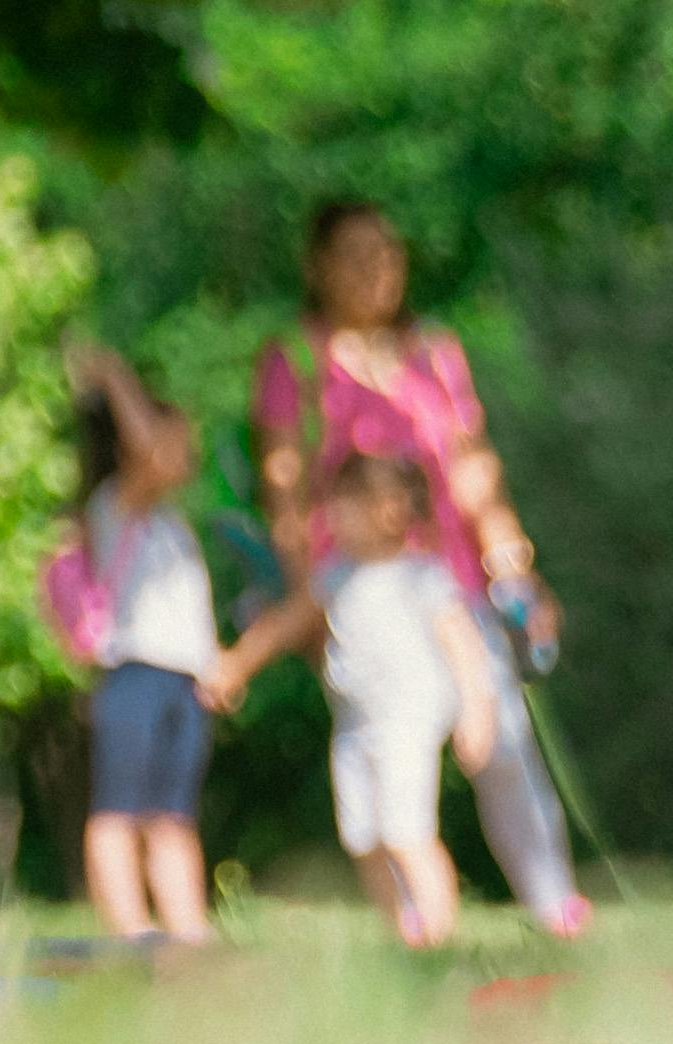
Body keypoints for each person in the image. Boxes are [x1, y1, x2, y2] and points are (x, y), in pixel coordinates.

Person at [252, 199, 588, 934]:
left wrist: (516, 574)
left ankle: (555, 902)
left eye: (389, 251)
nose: (377, 268)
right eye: (356, 253)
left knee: (500, 741)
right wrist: (304, 596)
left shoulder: (435, 353)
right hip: (358, 596)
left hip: (451, 584)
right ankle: (411, 921)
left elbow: (474, 475)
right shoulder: (296, 358)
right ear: (318, 266)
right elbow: (284, 490)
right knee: (380, 760)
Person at [236, 453, 506, 948]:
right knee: (363, 836)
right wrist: (236, 665)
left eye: (345, 506)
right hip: (356, 723)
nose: (331, 517)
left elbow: (466, 648)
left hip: (409, 718)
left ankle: (440, 936)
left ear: (390, 509)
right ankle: (404, 934)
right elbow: (288, 623)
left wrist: (479, 711)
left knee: (407, 831)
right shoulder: (336, 576)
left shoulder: (424, 577)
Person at [56, 341, 223, 946]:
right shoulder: (113, 507)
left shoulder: (170, 527)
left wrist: (212, 667)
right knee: (119, 809)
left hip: (181, 678)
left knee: (173, 815)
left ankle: (187, 929)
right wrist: (114, 371)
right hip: (132, 674)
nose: (181, 454)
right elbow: (149, 452)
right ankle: (130, 929)